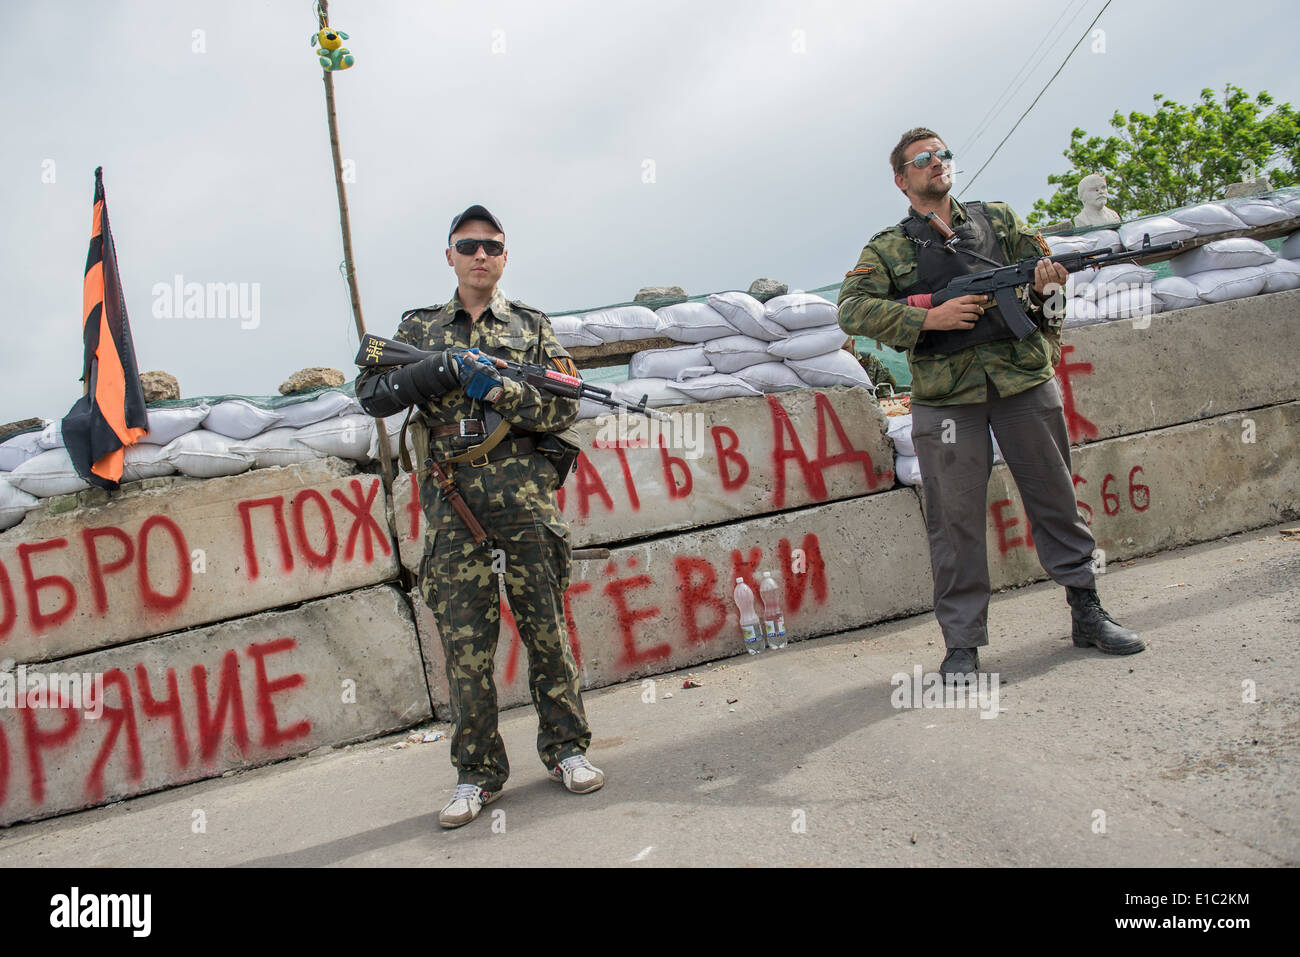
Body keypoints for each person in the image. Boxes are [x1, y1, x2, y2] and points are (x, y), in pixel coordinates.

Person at [837, 128, 1144, 682]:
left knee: (1055, 498)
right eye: (924, 159)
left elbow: (1046, 288)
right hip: (947, 399)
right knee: (954, 523)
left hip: (1021, 381)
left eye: (944, 155)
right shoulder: (889, 248)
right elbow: (852, 310)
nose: (938, 163)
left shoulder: (998, 220)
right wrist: (926, 318)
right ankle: (962, 646)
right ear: (902, 179)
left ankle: (1087, 611)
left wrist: (1049, 288)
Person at [356, 204, 604, 828]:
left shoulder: (531, 327)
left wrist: (501, 390)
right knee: (466, 645)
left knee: (545, 628)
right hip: (451, 504)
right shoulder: (419, 326)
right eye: (468, 246)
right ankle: (476, 775)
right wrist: (436, 370)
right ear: (449, 257)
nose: (480, 256)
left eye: (491, 246)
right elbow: (371, 394)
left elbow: (563, 409)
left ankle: (568, 751)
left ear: (504, 256)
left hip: (524, 499)